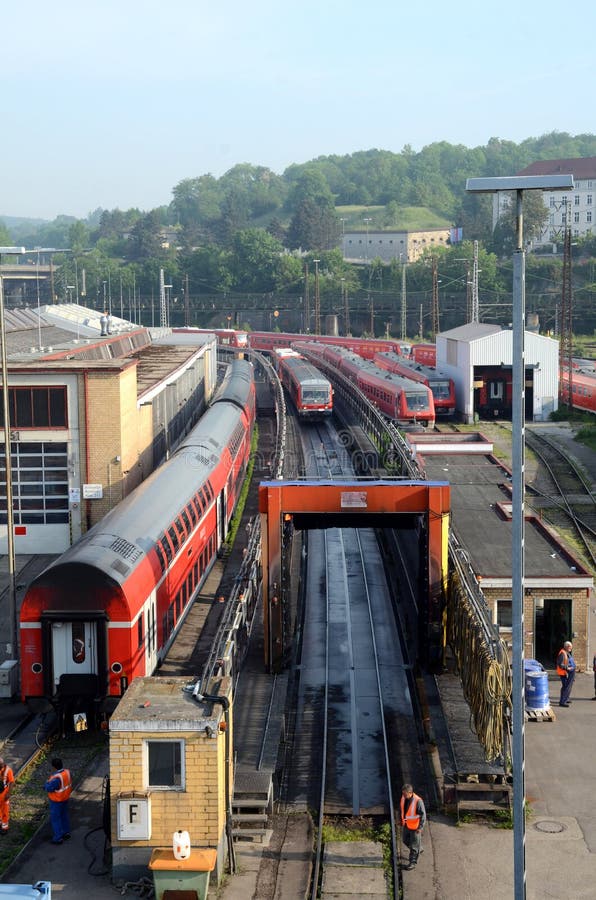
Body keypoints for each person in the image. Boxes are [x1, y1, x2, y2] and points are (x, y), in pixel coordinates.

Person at [44, 757, 72, 844]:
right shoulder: (67, 772)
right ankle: (66, 832)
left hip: (57, 801)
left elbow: (49, 788)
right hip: (65, 798)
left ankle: (58, 838)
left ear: (54, 767)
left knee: (56, 819)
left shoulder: (56, 778)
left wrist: (46, 784)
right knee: (64, 815)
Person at [400, 783, 426, 869]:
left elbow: (423, 815)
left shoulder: (418, 801)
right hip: (407, 825)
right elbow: (403, 810)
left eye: (405, 794)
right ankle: (419, 848)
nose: (403, 795)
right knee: (405, 840)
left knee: (414, 847)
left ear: (410, 792)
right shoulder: (404, 798)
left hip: (415, 827)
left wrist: (420, 827)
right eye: (403, 793)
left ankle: (412, 863)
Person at [556, 641, 576, 707]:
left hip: (568, 673)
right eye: (570, 647)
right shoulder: (562, 653)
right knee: (565, 687)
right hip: (564, 673)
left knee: (568, 687)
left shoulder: (566, 653)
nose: (571, 649)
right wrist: (567, 668)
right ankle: (562, 702)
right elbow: (560, 664)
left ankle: (566, 698)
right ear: (567, 647)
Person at [0, 757, 15, 834]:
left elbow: (12, 782)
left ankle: (5, 828)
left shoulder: (7, 770)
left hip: (3, 794)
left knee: (5, 810)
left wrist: (8, 793)